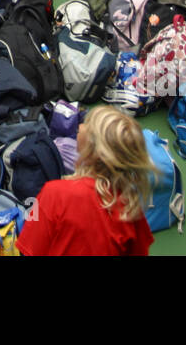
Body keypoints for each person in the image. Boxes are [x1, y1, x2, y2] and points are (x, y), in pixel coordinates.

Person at [18, 106, 154, 256]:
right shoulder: (130, 206)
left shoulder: (53, 193)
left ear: (94, 148)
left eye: (87, 123)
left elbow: (30, 250)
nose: (80, 125)